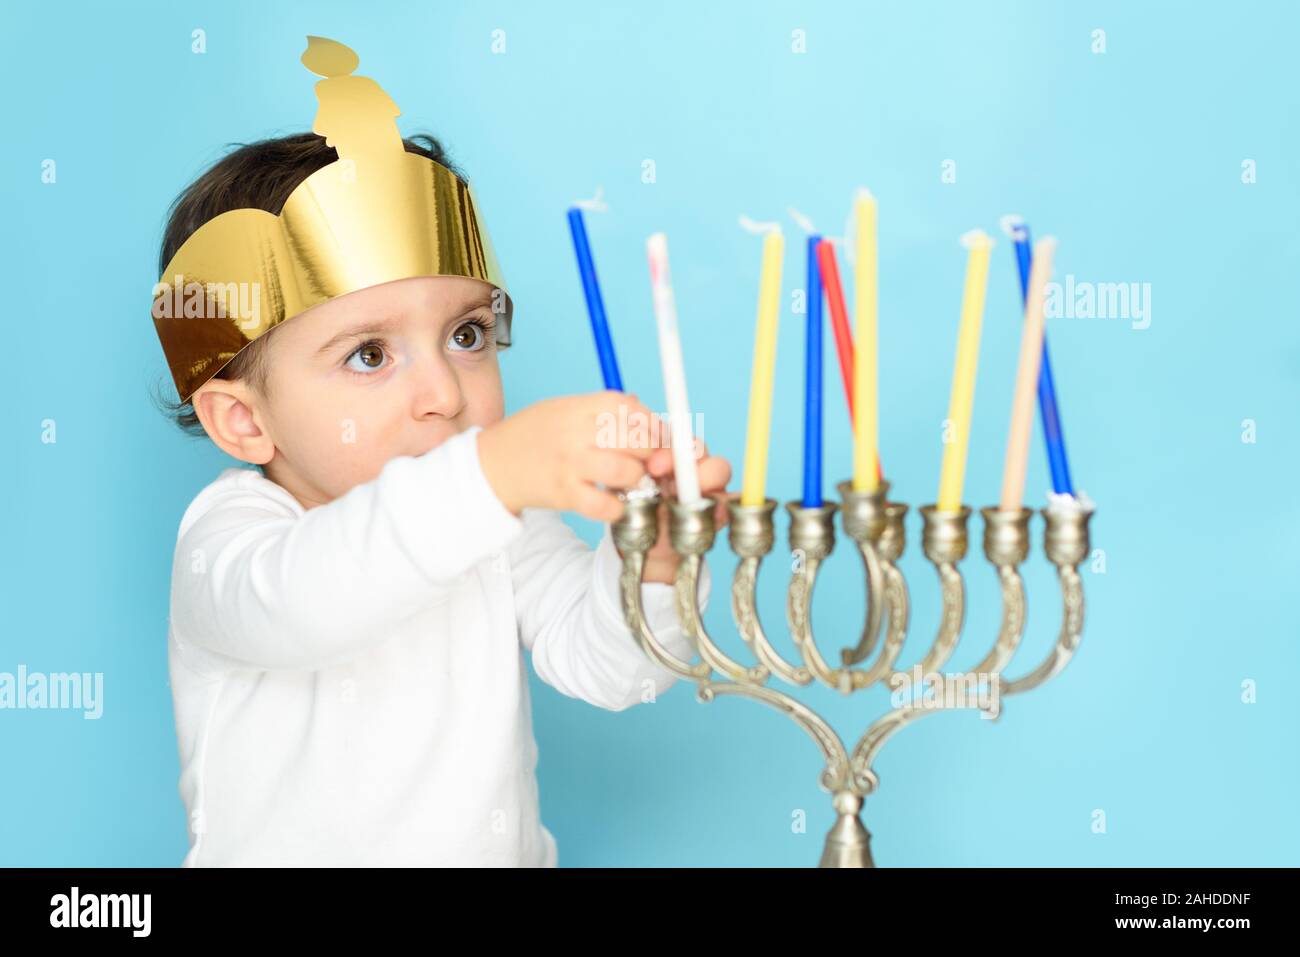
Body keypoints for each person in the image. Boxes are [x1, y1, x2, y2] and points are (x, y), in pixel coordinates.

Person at [151, 37, 731, 866]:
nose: (447, 394)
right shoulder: (230, 544)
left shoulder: (492, 521)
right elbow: (316, 594)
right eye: (370, 355)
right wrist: (496, 471)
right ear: (245, 423)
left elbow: (612, 667)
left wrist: (658, 559)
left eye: (466, 334)